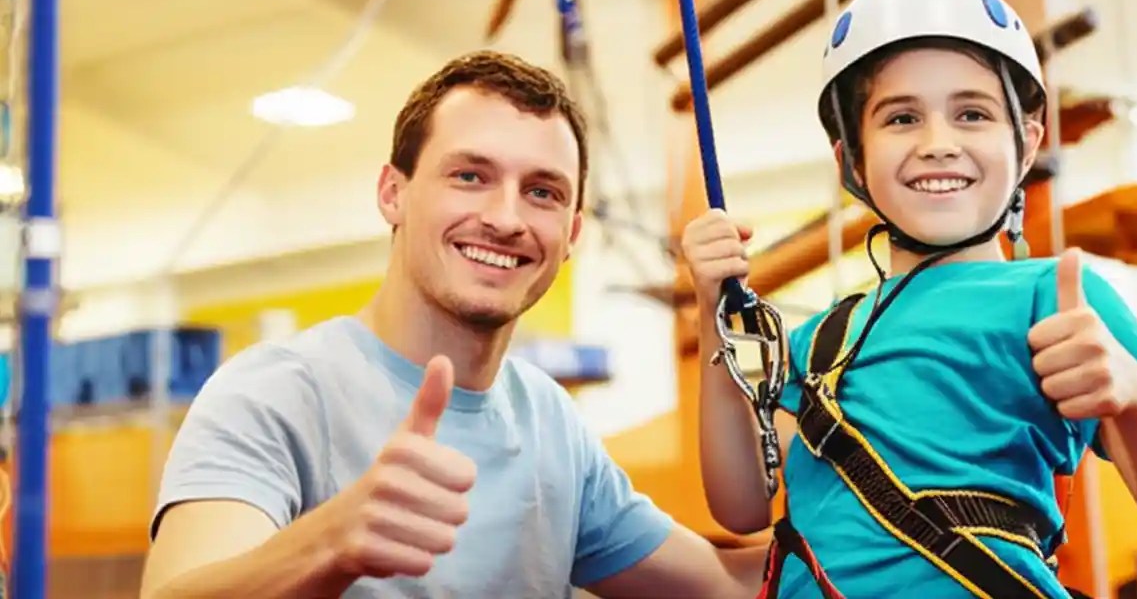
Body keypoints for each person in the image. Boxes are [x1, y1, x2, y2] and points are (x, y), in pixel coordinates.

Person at [682, 0, 1137, 598]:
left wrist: (1131, 393)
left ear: (1026, 143)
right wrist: (713, 317)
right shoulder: (821, 341)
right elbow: (743, 507)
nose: (938, 144)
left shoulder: (1054, 298)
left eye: (972, 113)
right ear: (851, 161)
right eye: (901, 119)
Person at [141, 50, 768, 599]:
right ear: (393, 193)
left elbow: (722, 585)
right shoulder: (276, 392)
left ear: (572, 232)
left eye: (543, 192)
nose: (504, 217)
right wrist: (331, 543)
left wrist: (859, 495)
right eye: (470, 176)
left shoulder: (549, 422)